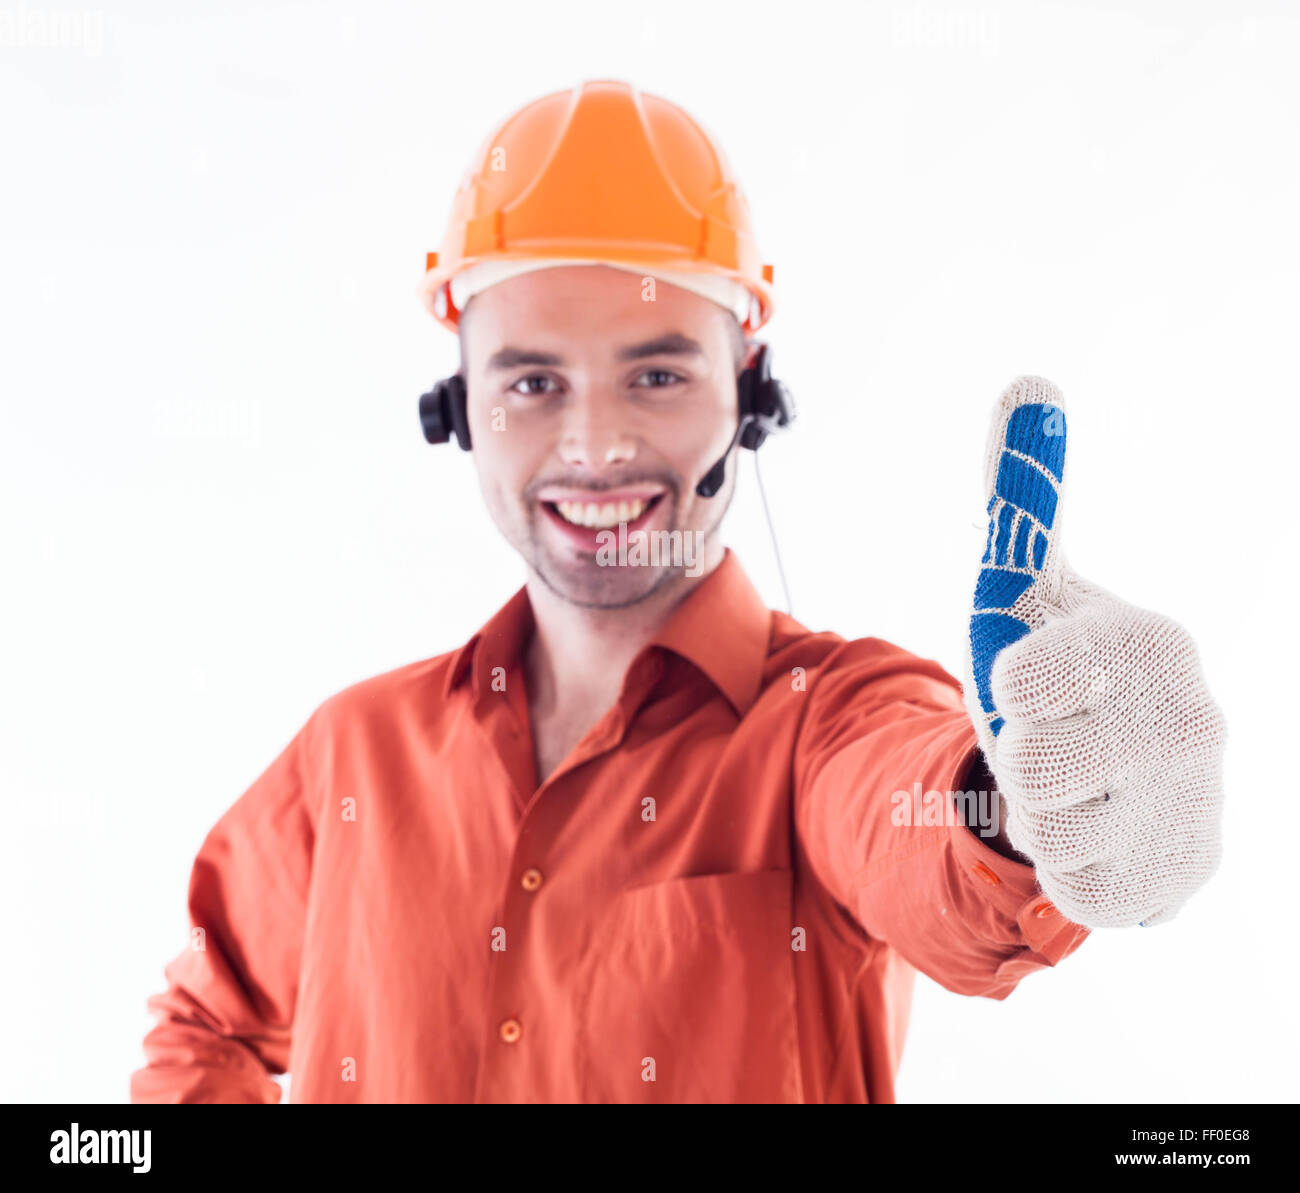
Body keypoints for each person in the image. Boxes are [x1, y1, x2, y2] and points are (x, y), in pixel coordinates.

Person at [131, 79, 1226, 1104]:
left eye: (657, 374)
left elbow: (920, 826)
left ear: (748, 395)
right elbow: (204, 1013)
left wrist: (1030, 804)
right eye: (532, 380)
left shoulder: (824, 725)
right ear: (458, 407)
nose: (597, 442)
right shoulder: (350, 753)